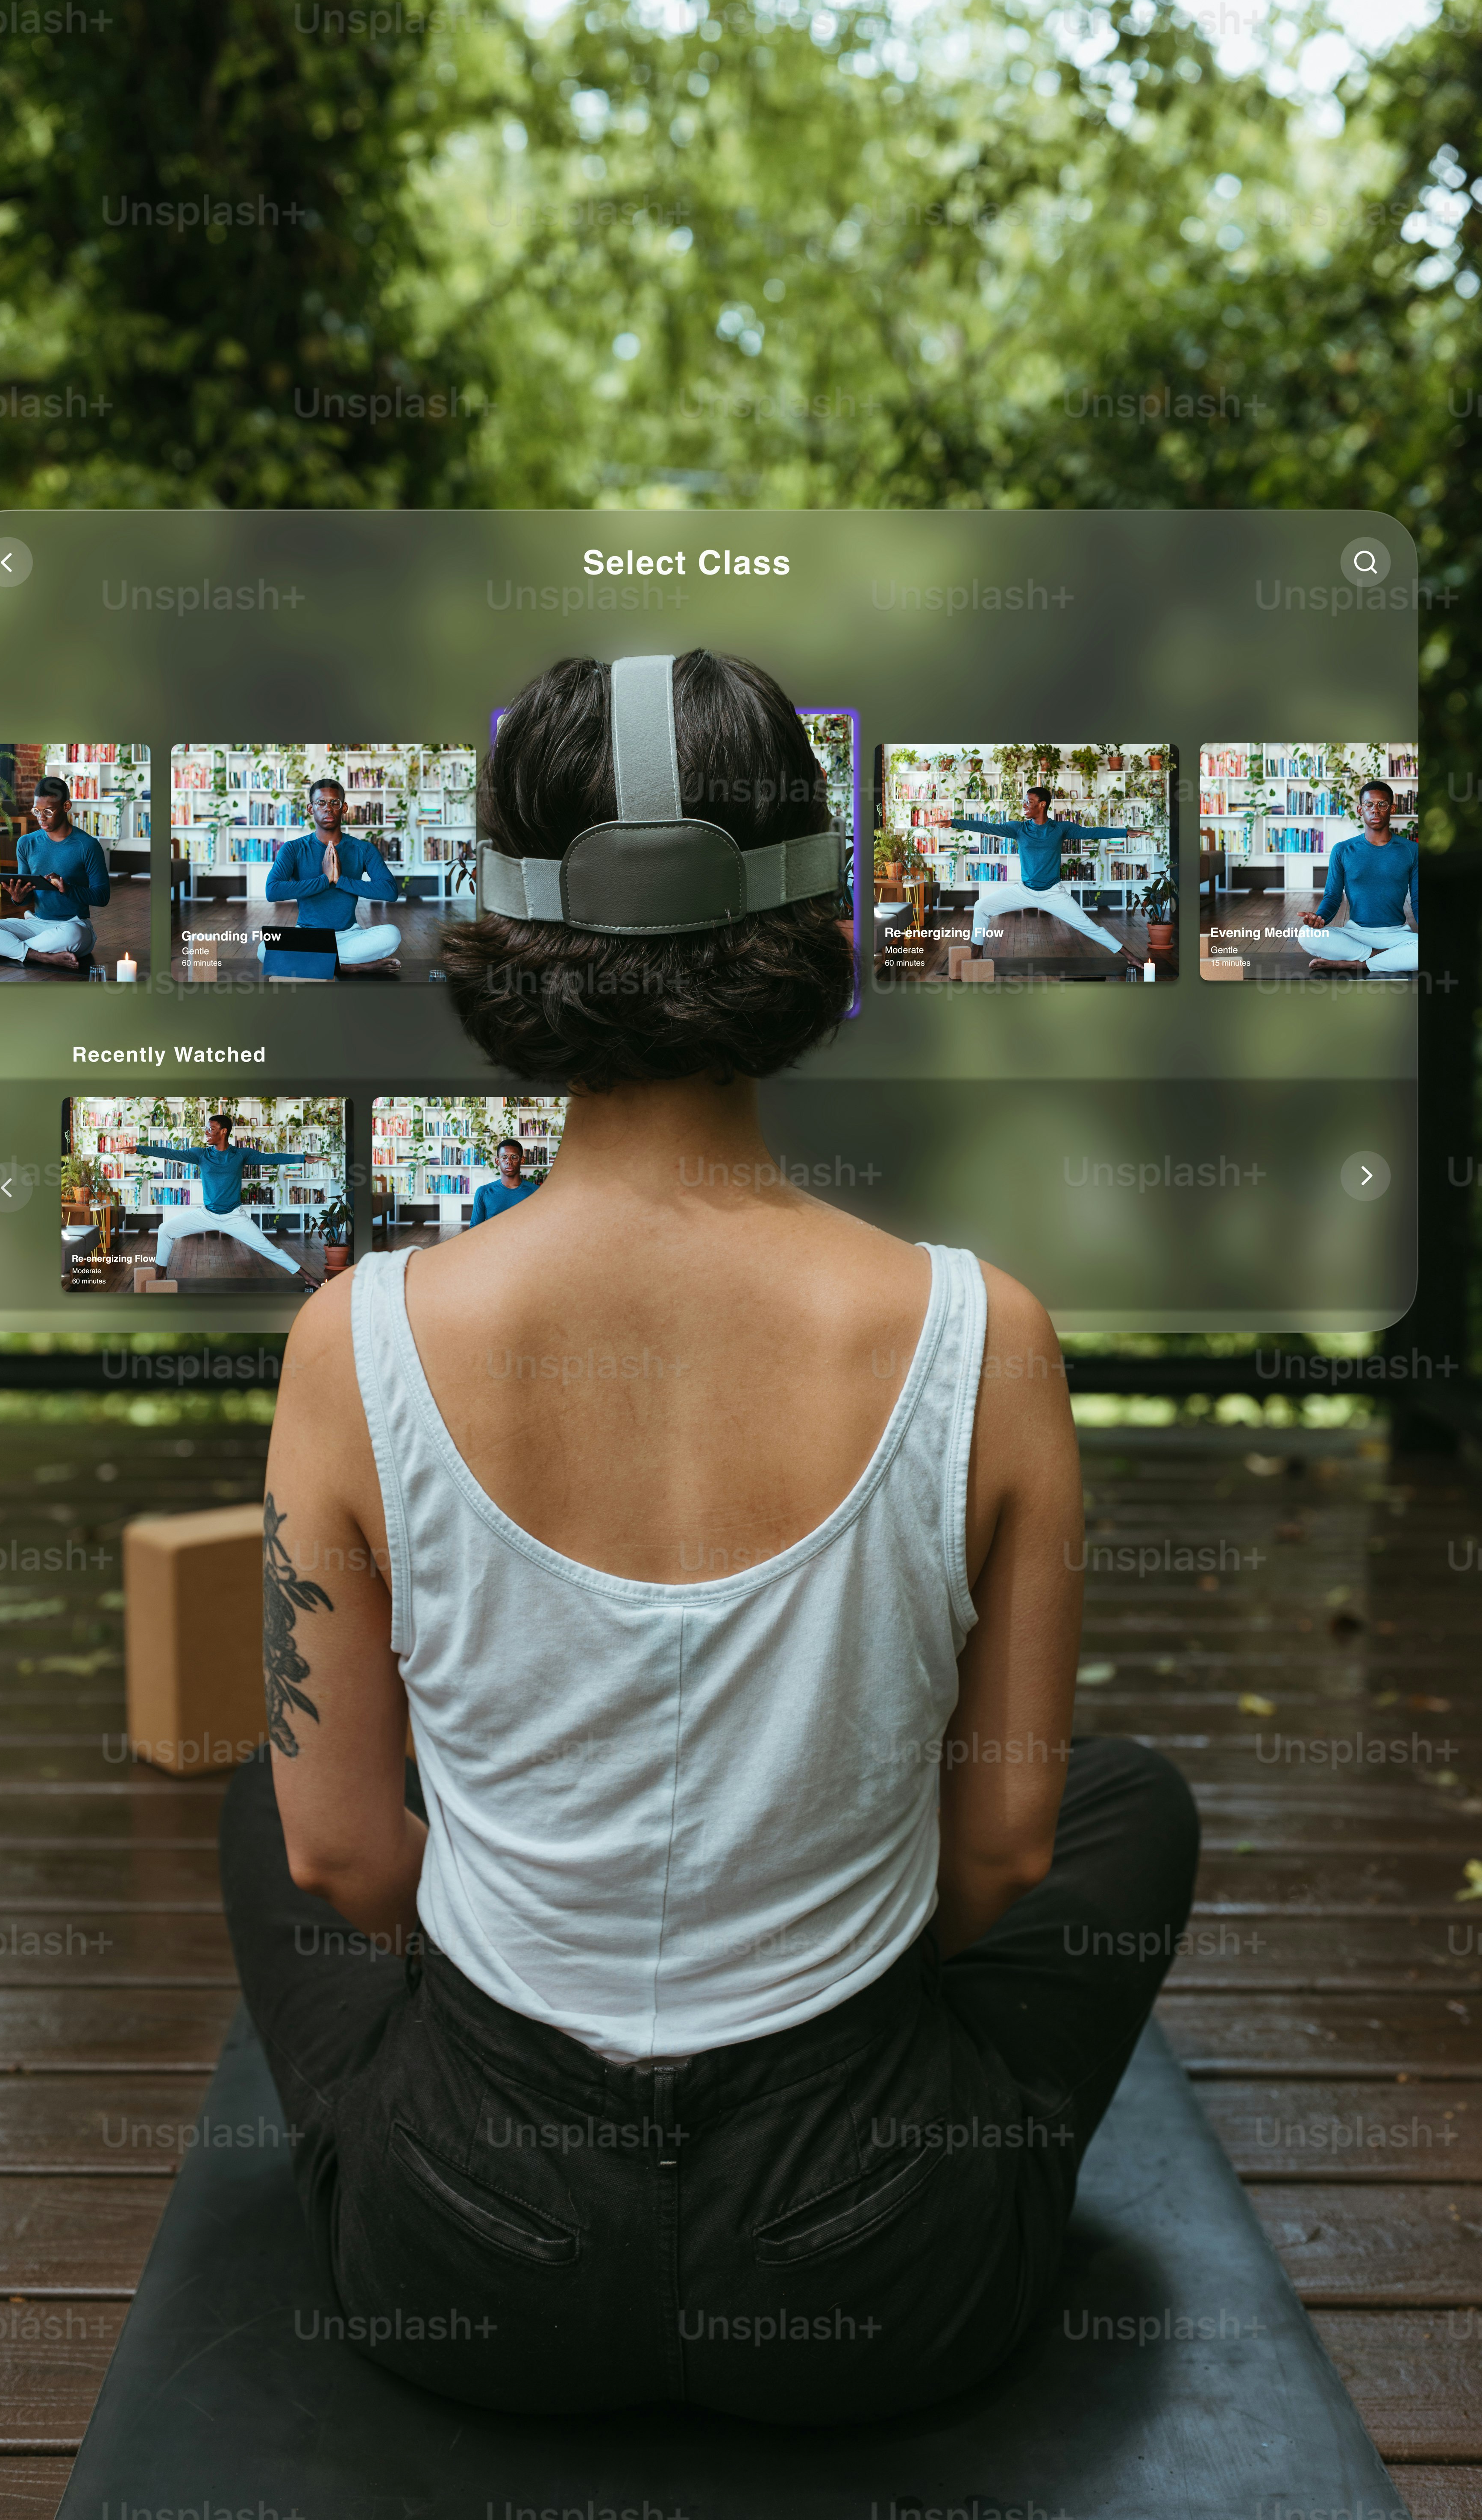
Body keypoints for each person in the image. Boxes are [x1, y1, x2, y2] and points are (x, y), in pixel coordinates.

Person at [220, 651, 1198, 2426]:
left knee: (270, 1802)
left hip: (471, 2265)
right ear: (802, 929)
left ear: (507, 926)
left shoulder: (347, 1342)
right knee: (1132, 1808)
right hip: (875, 2268)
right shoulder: (992, 1335)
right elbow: (995, 1865)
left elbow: (348, 1873)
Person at [946, 784, 1133, 958]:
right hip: (1024, 891)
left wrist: (1125, 832)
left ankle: (1131, 957)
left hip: (1053, 893)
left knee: (1089, 927)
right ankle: (977, 952)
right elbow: (987, 827)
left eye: (1029, 802)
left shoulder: (1060, 829)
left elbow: (1092, 832)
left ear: (1042, 805)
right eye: (1024, 802)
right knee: (981, 907)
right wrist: (953, 823)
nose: (1024, 805)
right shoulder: (1018, 828)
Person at [134, 1114, 323, 1284]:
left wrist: (303, 1158)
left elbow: (270, 1158)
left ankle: (308, 1278)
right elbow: (170, 1153)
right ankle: (160, 1275)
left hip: (234, 1217)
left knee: (269, 1249)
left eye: (211, 1129)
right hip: (207, 1214)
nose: (207, 1133)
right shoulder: (201, 1155)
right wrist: (137, 1149)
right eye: (206, 1129)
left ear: (224, 1132)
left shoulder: (241, 1154)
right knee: (165, 1229)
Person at [0, 775, 110, 971]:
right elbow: (25, 897)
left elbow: (102, 897)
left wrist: (68, 889)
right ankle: (42, 957)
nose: (41, 818)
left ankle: (4, 950)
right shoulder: (26, 843)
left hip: (72, 925)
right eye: (37, 811)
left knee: (74, 935)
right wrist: (18, 897)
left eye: (48, 812)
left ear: (66, 806)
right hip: (35, 924)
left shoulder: (88, 845)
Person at [260, 779, 402, 975]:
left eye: (335, 803)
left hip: (349, 935)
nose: (329, 808)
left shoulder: (363, 849)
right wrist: (324, 880)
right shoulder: (293, 849)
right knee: (264, 948)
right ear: (311, 809)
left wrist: (341, 880)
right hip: (308, 936)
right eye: (321, 803)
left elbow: (390, 891)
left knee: (392, 935)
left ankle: (321, 963)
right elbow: (272, 891)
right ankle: (348, 968)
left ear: (343, 808)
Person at [1296, 781, 1419, 973]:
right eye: (1369, 805)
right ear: (1360, 810)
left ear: (1392, 809)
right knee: (1306, 935)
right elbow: (1333, 897)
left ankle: (1356, 963)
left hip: (1396, 934)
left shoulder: (1412, 851)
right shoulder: (1343, 850)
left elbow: (1418, 900)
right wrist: (1319, 919)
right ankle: (1380, 957)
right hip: (1356, 934)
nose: (1375, 810)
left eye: (1382, 805)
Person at [467, 1137, 536, 1228]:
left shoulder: (536, 1192)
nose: (509, 1161)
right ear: (497, 1161)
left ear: (522, 1161)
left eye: (514, 1157)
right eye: (504, 1157)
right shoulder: (483, 1192)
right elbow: (475, 1229)